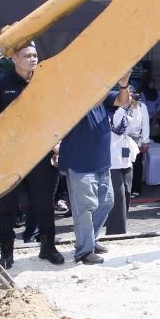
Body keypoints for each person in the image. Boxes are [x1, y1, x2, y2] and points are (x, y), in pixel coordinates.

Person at [0, 41, 64, 269]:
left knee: (44, 203)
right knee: (7, 205)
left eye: (35, 55)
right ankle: (6, 252)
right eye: (27, 55)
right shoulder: (1, 85)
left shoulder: (46, 82)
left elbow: (55, 116)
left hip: (40, 152)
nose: (33, 59)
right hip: (11, 154)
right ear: (14, 58)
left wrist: (56, 143)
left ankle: (48, 247)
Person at [59, 73, 132, 264]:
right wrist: (105, 83)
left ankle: (91, 240)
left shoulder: (101, 97)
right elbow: (90, 102)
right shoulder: (71, 98)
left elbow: (123, 102)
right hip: (79, 163)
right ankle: (84, 251)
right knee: (84, 208)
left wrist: (123, 85)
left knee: (106, 202)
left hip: (101, 161)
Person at [106, 89, 149, 235]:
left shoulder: (126, 112)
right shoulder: (110, 113)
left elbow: (134, 129)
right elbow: (118, 128)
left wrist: (135, 109)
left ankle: (121, 225)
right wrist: (124, 107)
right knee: (117, 196)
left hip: (126, 158)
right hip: (112, 159)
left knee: (127, 192)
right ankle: (115, 230)